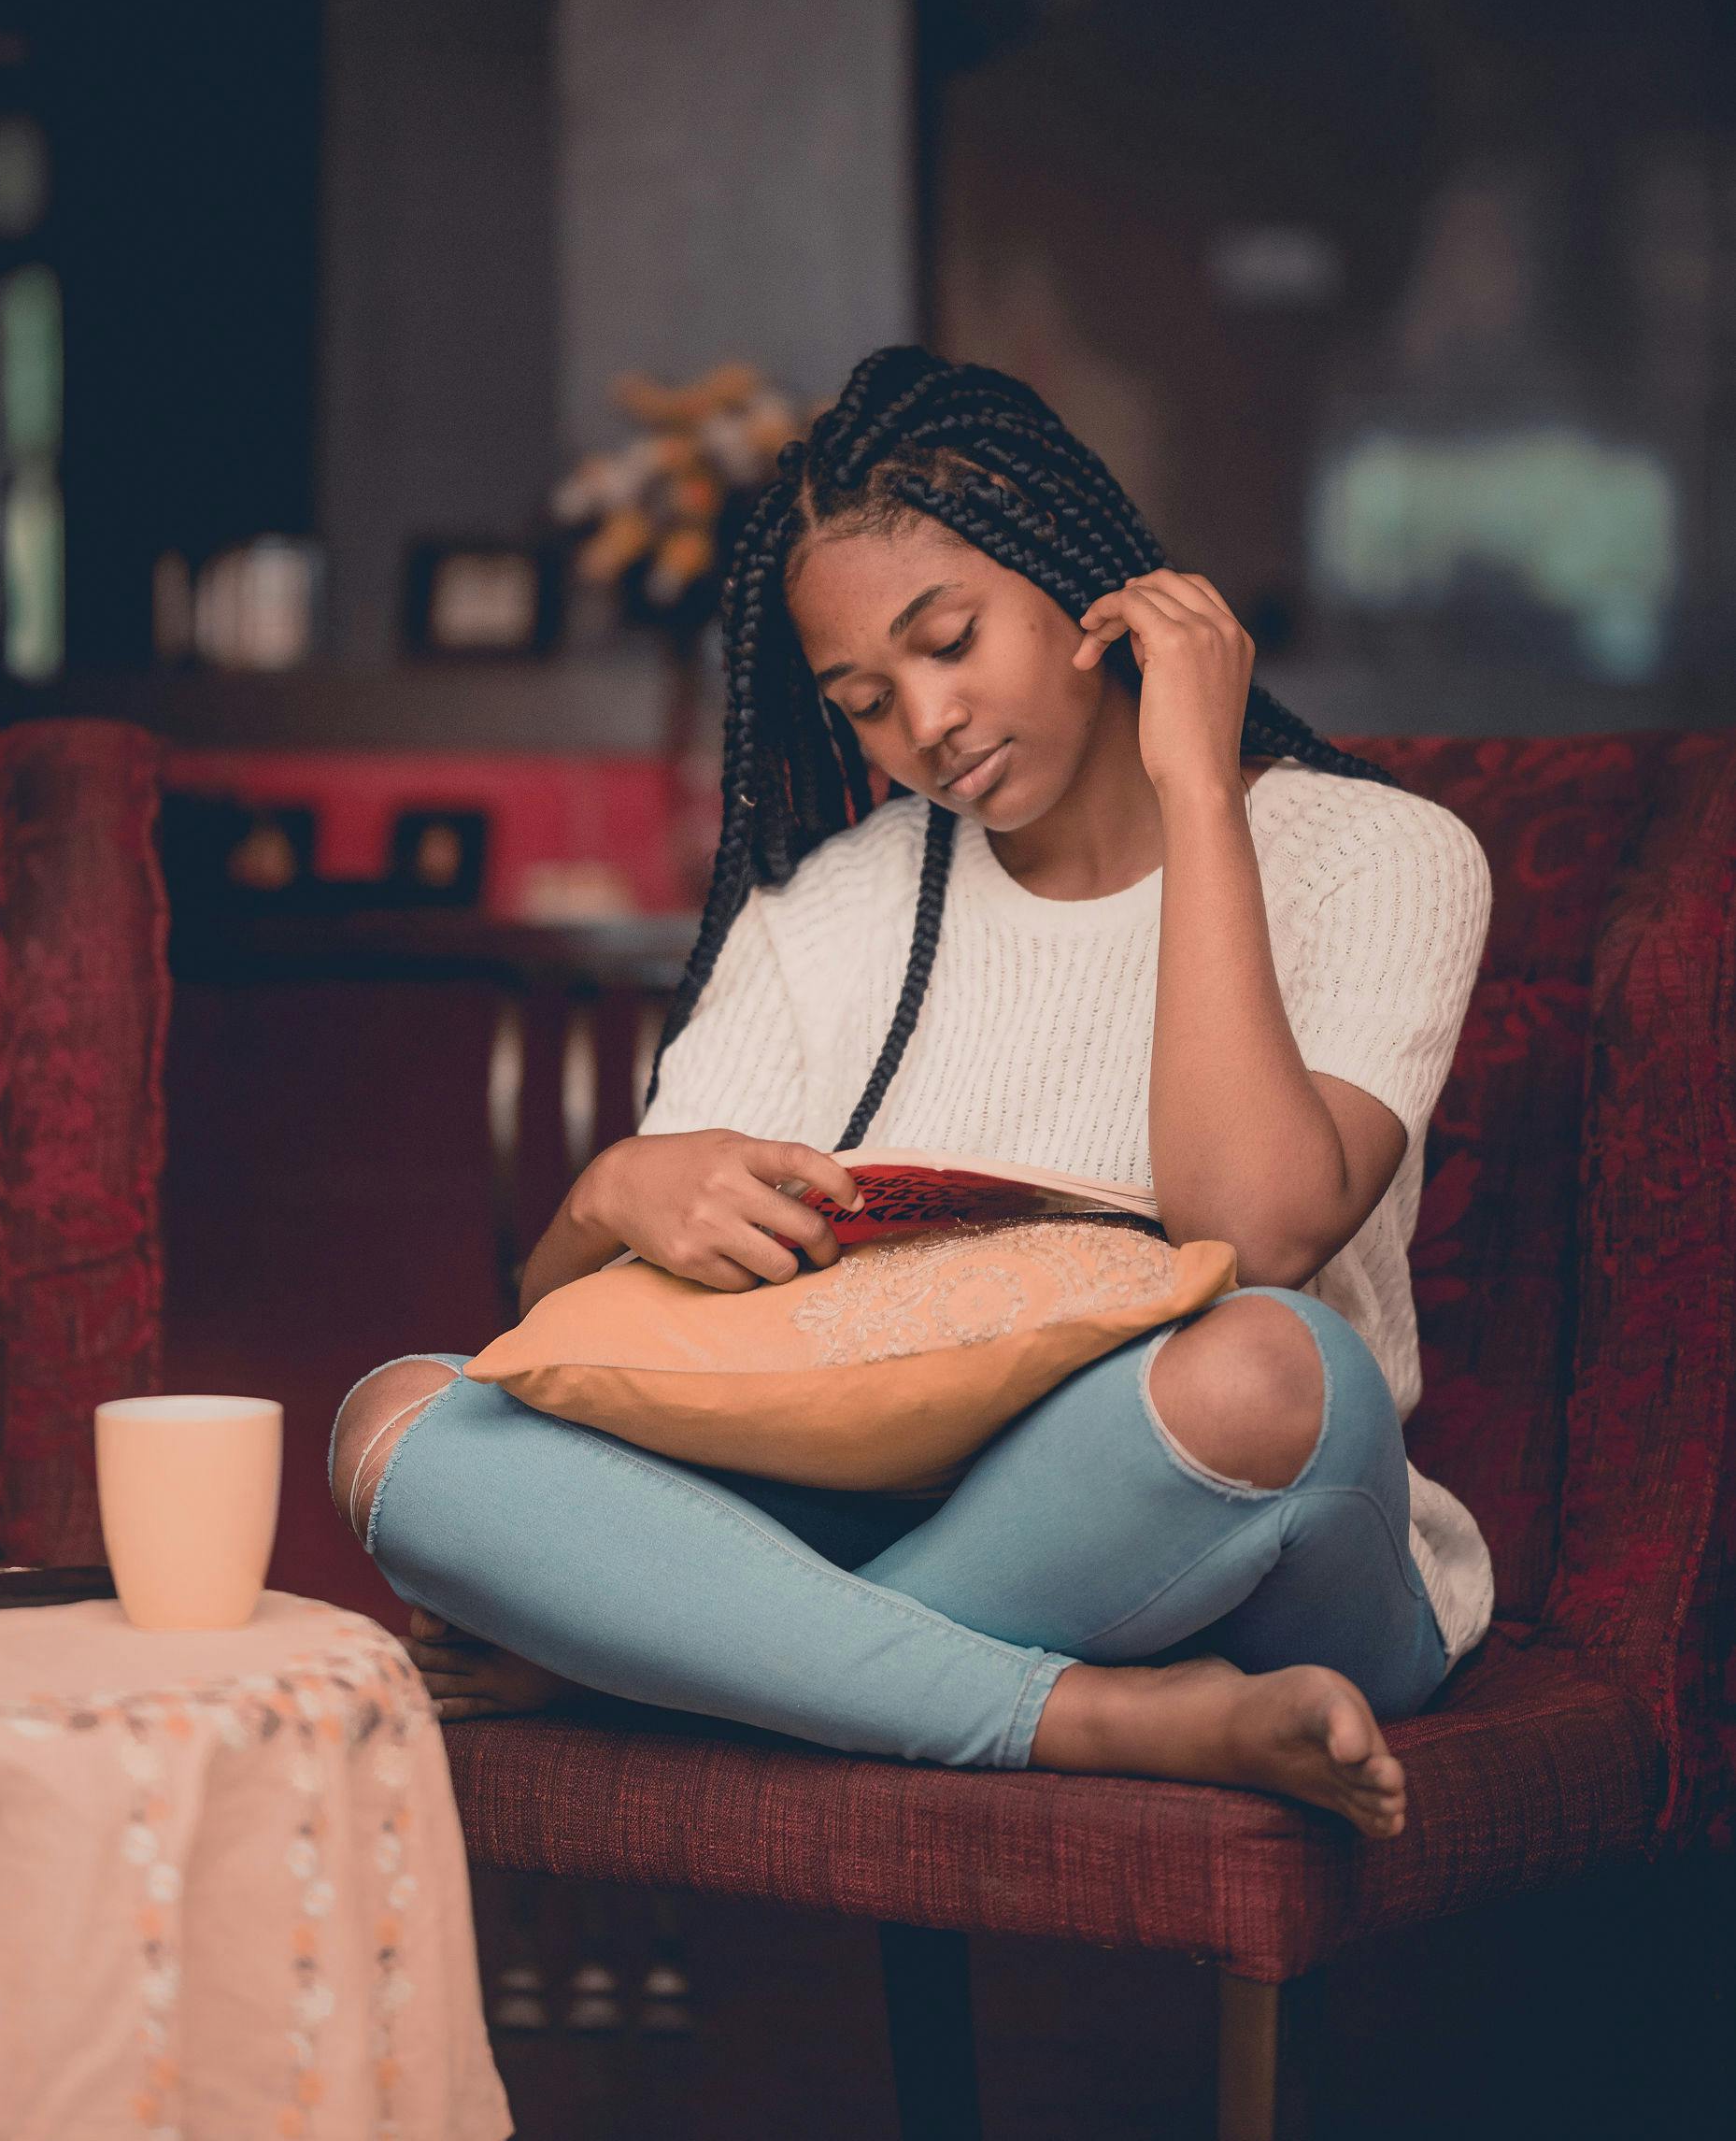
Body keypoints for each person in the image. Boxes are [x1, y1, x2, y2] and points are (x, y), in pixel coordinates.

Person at [331, 349, 1491, 1837]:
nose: (927, 723)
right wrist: (609, 1196)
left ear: (1081, 581)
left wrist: (1200, 789)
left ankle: (682, 1663)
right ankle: (1090, 1717)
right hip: (874, 1502)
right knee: (403, 1427)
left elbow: (1251, 1229)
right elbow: (571, 1352)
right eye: (865, 701)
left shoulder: (1379, 856)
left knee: (1263, 1364)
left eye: (950, 641)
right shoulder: (829, 913)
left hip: (1235, 1524)